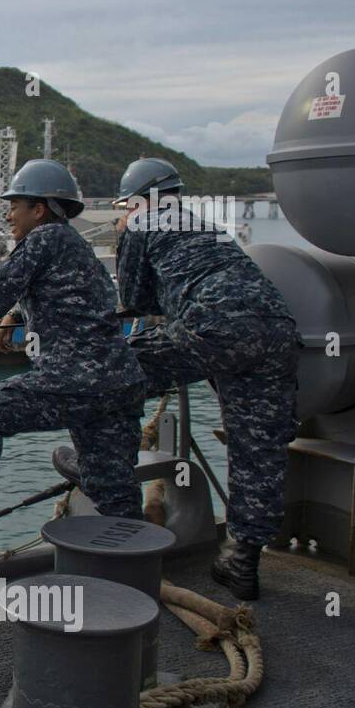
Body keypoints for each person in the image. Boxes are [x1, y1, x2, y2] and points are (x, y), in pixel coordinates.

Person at [112, 157, 300, 600]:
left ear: (137, 200)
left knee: (110, 372)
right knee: (258, 447)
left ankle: (104, 470)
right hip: (275, 327)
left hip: (212, 326)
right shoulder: (207, 225)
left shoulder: (140, 224)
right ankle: (243, 559)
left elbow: (134, 298)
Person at [0, 159, 146, 544]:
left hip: (74, 381)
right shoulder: (75, 245)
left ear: (38, 209)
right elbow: (72, 296)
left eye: (15, 206)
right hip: (119, 384)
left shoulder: (43, 239)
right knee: (115, 492)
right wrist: (17, 313)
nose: (9, 215)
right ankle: (136, 572)